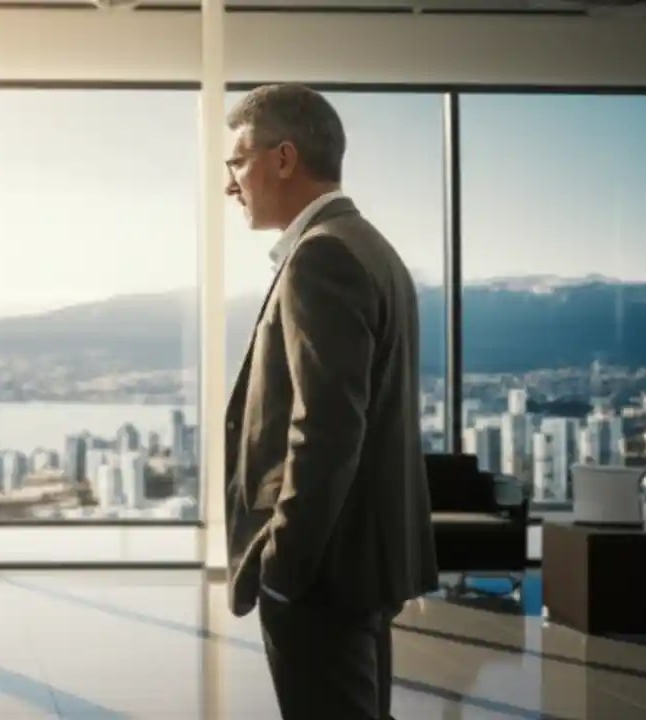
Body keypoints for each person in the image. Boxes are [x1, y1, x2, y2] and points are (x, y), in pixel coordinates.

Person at [222, 83, 439, 720]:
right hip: (358, 563)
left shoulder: (321, 257)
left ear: (283, 158)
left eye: (237, 162)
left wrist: (284, 565)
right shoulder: (368, 247)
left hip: (323, 572)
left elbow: (326, 430)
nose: (230, 185)